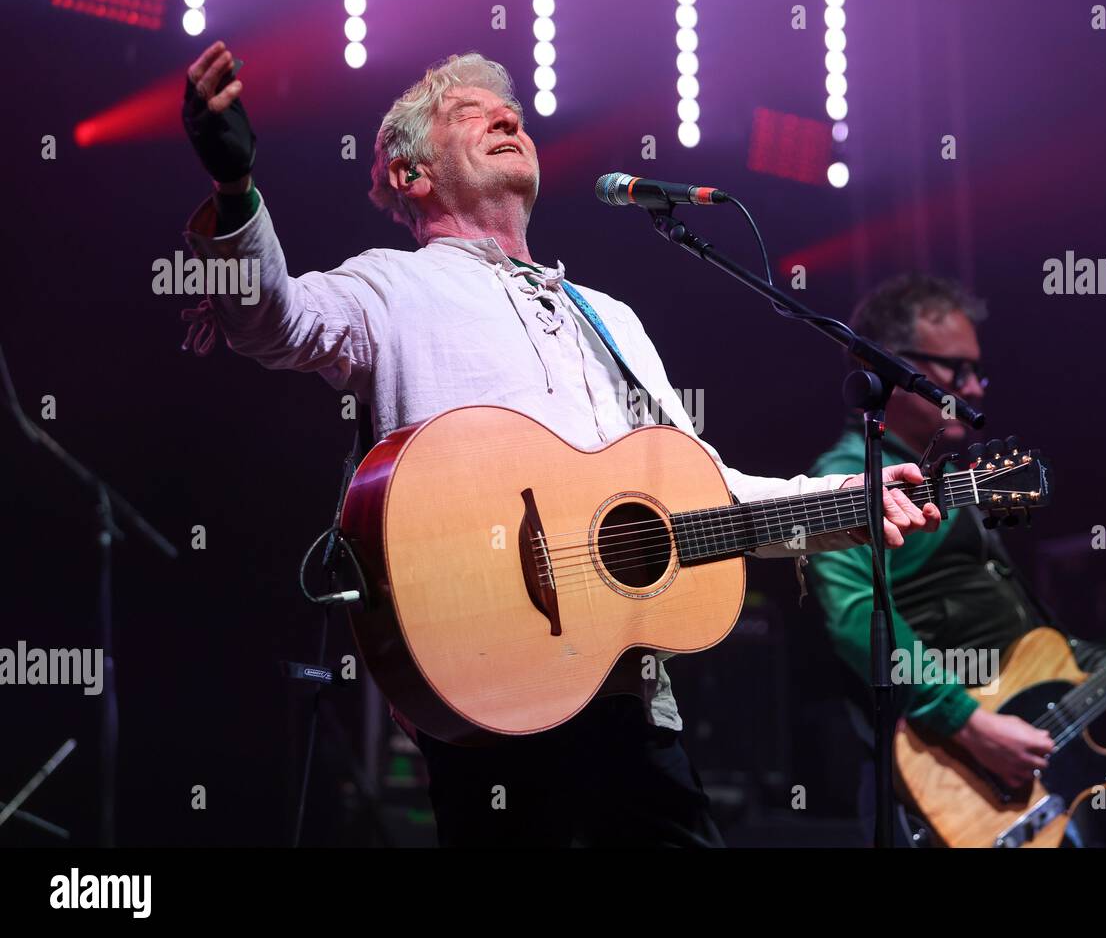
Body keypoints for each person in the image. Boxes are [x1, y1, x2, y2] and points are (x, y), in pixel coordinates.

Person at [178, 42, 941, 846]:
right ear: (411, 177)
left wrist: (847, 503)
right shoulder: (390, 285)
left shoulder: (610, 317)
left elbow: (706, 486)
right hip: (491, 689)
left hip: (633, 701)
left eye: (509, 110)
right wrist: (235, 192)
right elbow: (271, 320)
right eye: (467, 112)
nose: (506, 115)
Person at [804, 272, 1106, 845]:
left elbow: (1030, 639)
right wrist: (968, 723)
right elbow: (856, 617)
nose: (976, 388)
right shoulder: (842, 477)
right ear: (887, 366)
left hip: (1015, 772)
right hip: (941, 778)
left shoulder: (952, 480)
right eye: (959, 370)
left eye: (978, 371)